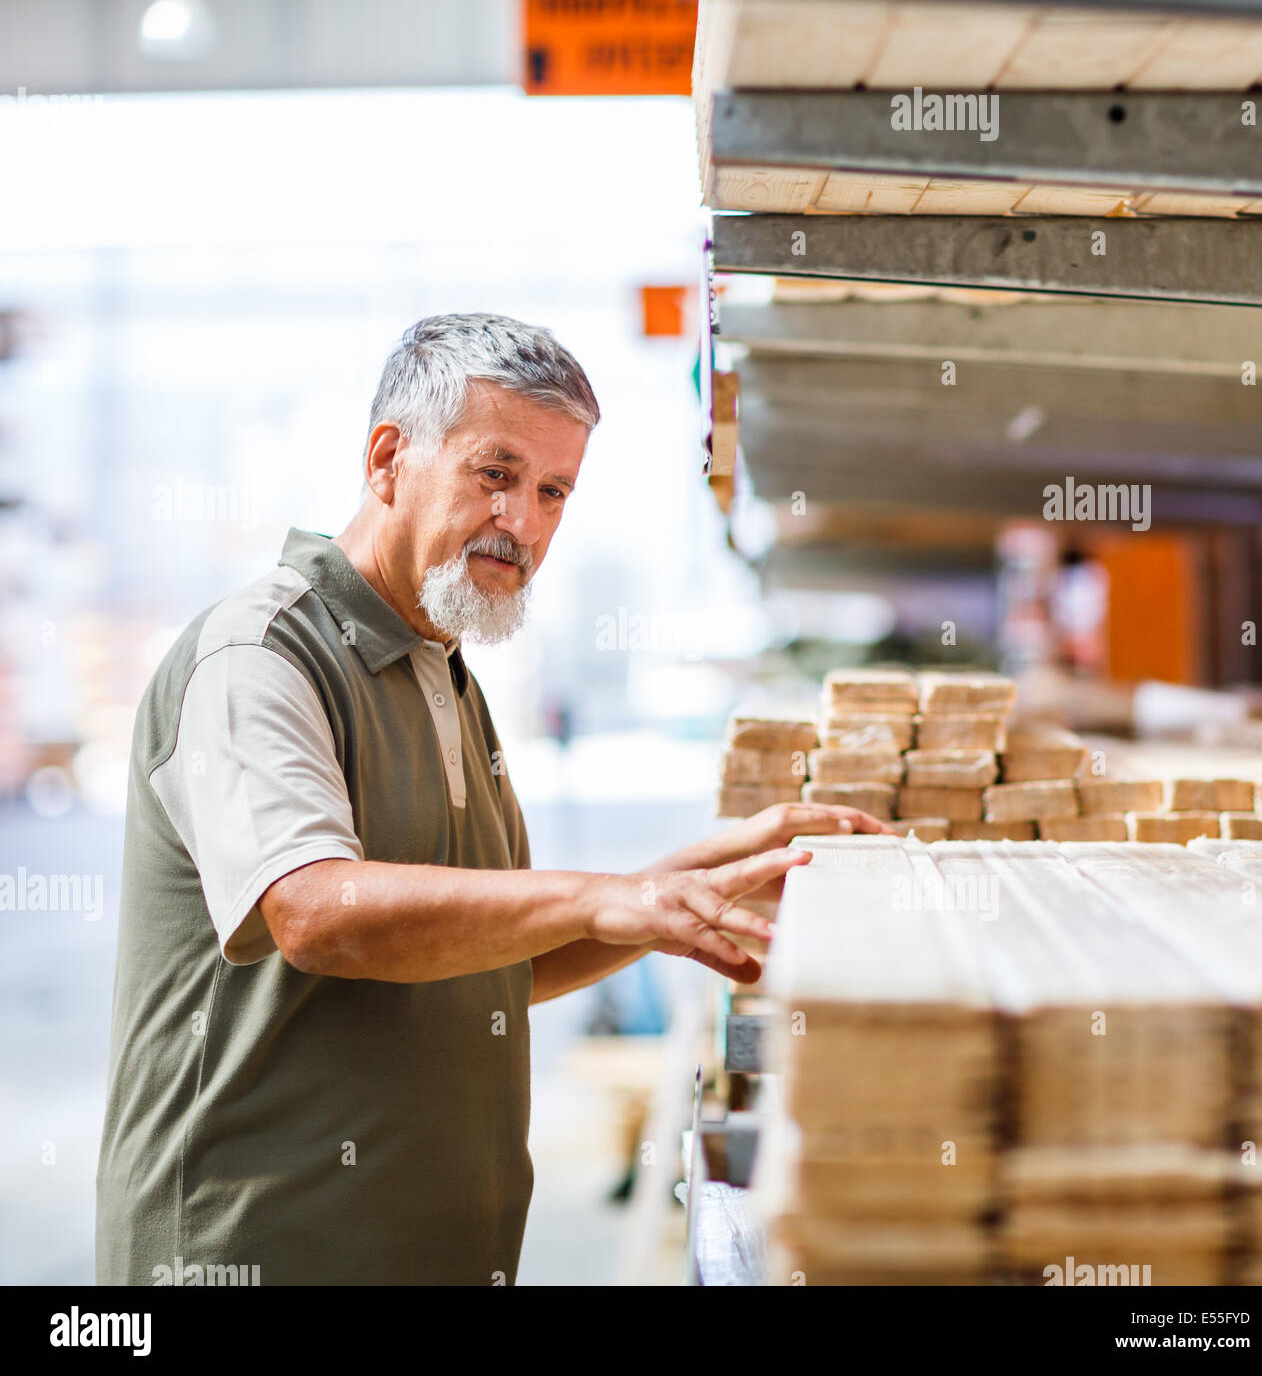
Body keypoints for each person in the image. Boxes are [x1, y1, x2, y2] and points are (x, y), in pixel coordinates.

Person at [95, 313, 886, 1286]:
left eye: (555, 490)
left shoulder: (446, 671)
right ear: (388, 459)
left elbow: (490, 955)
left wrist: (696, 882)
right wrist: (610, 898)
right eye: (495, 473)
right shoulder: (260, 657)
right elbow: (314, 914)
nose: (527, 521)